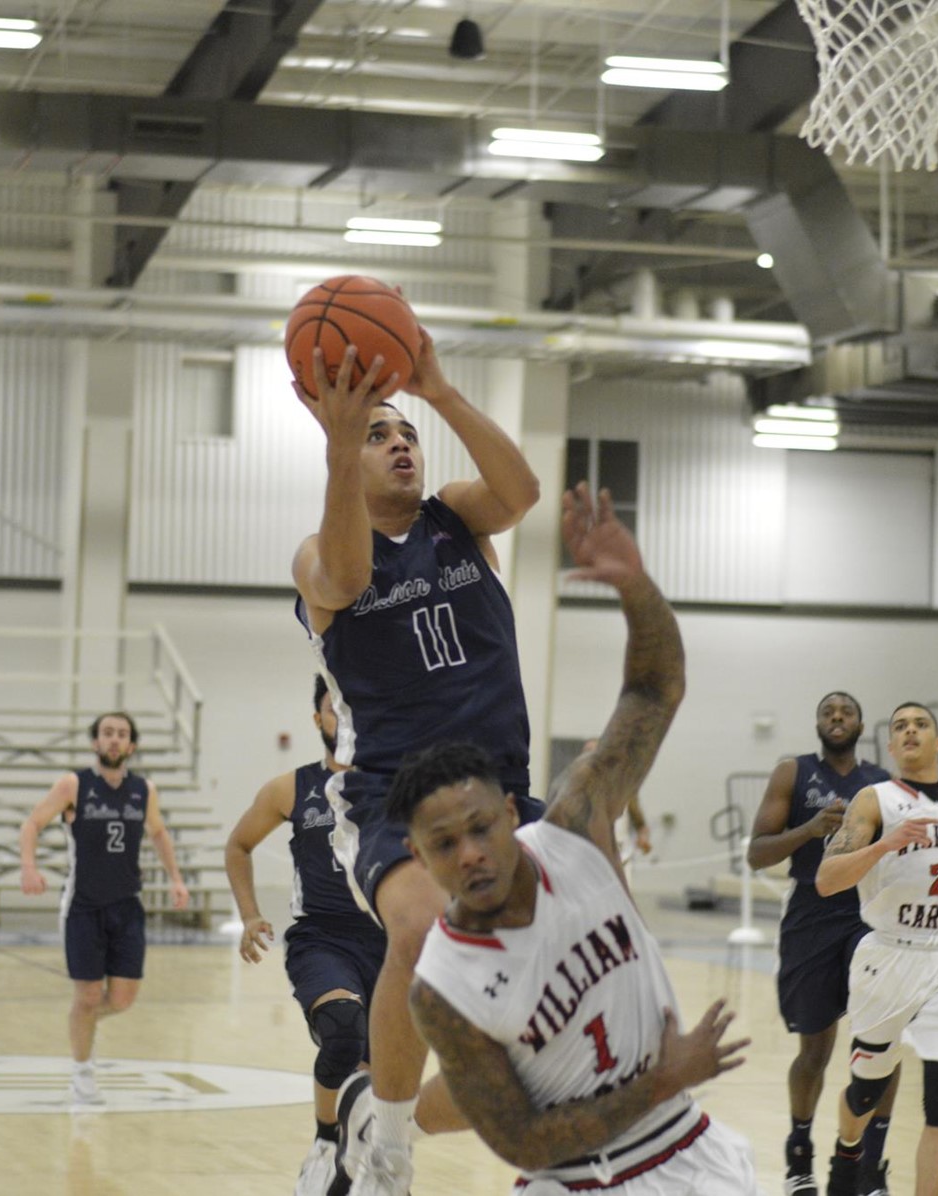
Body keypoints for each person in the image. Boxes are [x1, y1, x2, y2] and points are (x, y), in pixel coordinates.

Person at [398, 482, 755, 1196]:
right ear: (419, 857)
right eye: (443, 845)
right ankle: (385, 1119)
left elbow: (652, 692)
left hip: (694, 1149)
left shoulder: (576, 829)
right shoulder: (442, 987)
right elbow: (520, 1138)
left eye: (478, 829)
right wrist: (660, 1081)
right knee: (448, 1107)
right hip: (585, 1180)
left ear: (509, 813)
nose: (469, 853)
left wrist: (635, 588)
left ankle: (390, 1115)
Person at [292, 333, 542, 1195]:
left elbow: (524, 490)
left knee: (533, 1053)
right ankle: (388, 1152)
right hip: (391, 796)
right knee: (415, 926)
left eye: (405, 434)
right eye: (377, 434)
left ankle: (374, 1113)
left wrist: (435, 388)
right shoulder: (316, 556)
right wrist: (338, 442)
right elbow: (351, 570)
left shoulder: (459, 518)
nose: (399, 442)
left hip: (501, 796)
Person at [814, 703, 938, 1196]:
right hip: (890, 955)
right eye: (900, 726)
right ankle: (847, 1149)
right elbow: (826, 880)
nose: (910, 731)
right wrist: (884, 845)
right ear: (890, 746)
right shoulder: (874, 801)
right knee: (866, 1090)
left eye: (920, 724)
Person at [223, 675, 388, 1196]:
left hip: (392, 943)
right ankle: (322, 1144)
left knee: (377, 1081)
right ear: (318, 719)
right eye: (334, 708)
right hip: (323, 938)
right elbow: (239, 846)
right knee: (342, 1029)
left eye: (352, 706)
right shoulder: (290, 789)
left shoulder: (393, 782)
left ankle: (368, 1169)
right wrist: (250, 915)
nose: (345, 717)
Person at [746, 692, 898, 1196]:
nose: (837, 717)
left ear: (860, 723)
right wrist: (808, 830)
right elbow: (756, 854)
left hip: (867, 918)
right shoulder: (793, 772)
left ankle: (870, 1165)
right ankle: (799, 1155)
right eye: (828, 712)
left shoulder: (880, 783)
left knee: (880, 1045)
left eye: (847, 711)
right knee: (814, 1049)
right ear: (817, 723)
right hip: (811, 917)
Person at [19, 711, 190, 1105]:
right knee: (89, 996)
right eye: (107, 733)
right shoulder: (74, 785)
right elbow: (32, 825)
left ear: (132, 746)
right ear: (95, 742)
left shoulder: (144, 790)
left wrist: (176, 878)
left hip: (127, 905)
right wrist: (29, 867)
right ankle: (82, 1073)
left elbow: (159, 832)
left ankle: (80, 1029)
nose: (114, 740)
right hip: (83, 905)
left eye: (122, 734)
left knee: (123, 999)